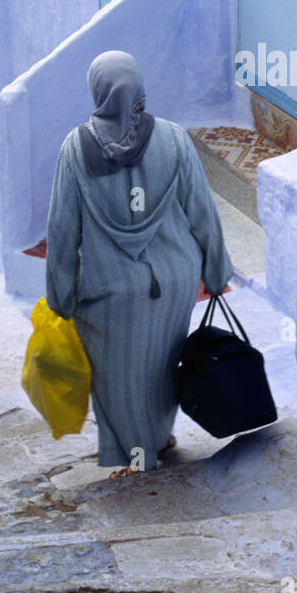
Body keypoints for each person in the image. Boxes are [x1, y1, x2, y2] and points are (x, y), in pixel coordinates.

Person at [45, 50, 232, 478]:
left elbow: (62, 231)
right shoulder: (173, 138)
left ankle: (134, 455)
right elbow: (203, 213)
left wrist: (61, 296)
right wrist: (216, 273)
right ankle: (158, 438)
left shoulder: (75, 150)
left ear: (98, 90)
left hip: (107, 289)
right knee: (161, 363)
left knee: (116, 378)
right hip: (173, 280)